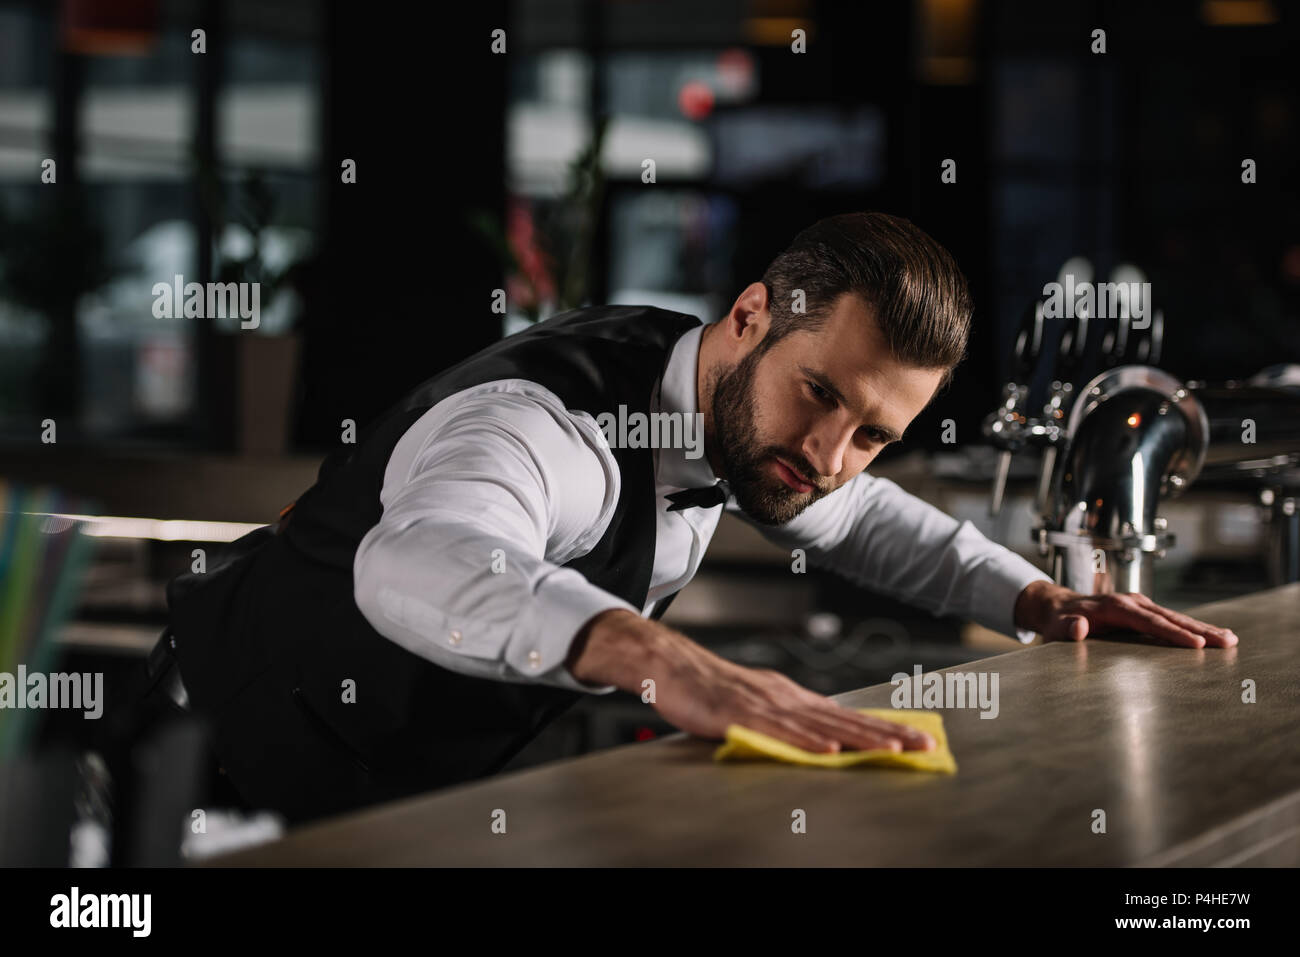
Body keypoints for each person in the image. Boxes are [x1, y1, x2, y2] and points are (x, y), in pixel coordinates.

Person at [159, 211, 1236, 825]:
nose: (827, 458)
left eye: (872, 433)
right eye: (819, 395)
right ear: (751, 316)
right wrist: (662, 658)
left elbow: (857, 519)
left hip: (376, 803)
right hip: (193, 780)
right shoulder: (548, 428)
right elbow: (417, 558)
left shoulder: (730, 408)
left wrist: (1038, 599)